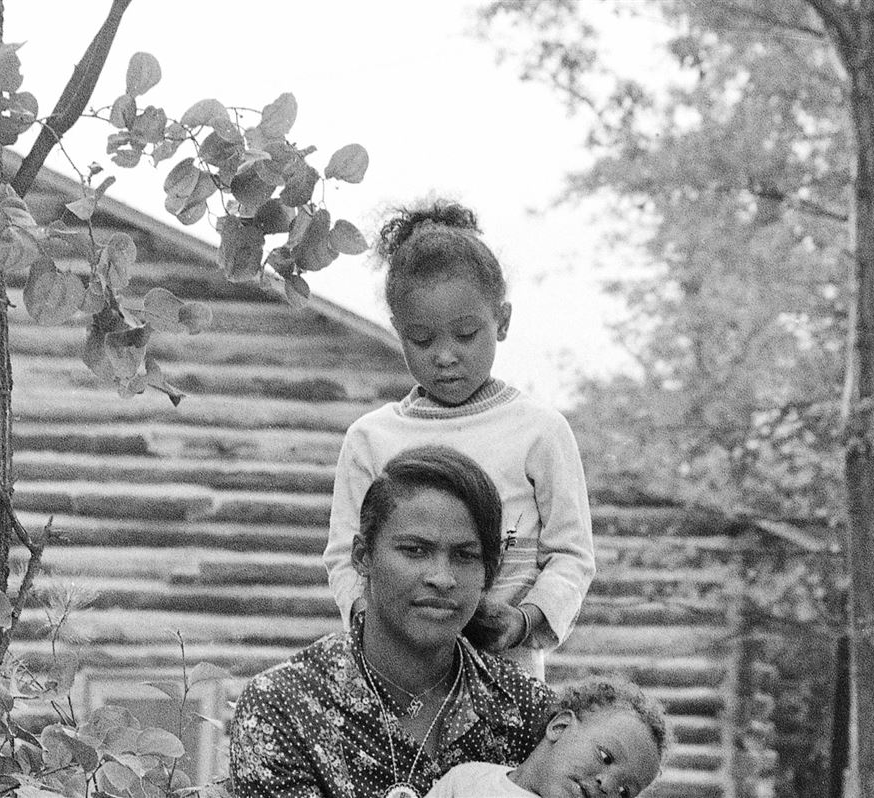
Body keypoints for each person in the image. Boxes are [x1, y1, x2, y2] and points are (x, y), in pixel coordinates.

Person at [324, 200, 596, 678]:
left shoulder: (539, 431)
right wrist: (375, 630)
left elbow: (572, 556)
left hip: (505, 675)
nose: (445, 356)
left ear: (502, 321)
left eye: (466, 334)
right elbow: (345, 557)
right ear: (398, 332)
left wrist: (524, 620)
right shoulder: (371, 439)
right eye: (422, 340)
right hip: (396, 676)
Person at [230, 446, 555, 798]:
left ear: (487, 574)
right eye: (415, 550)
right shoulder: (286, 705)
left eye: (465, 556)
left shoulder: (525, 712)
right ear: (362, 557)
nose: (442, 578)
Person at [424, 679, 668, 798]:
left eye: (625, 792)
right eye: (605, 757)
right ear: (560, 727)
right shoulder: (468, 780)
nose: (607, 786)